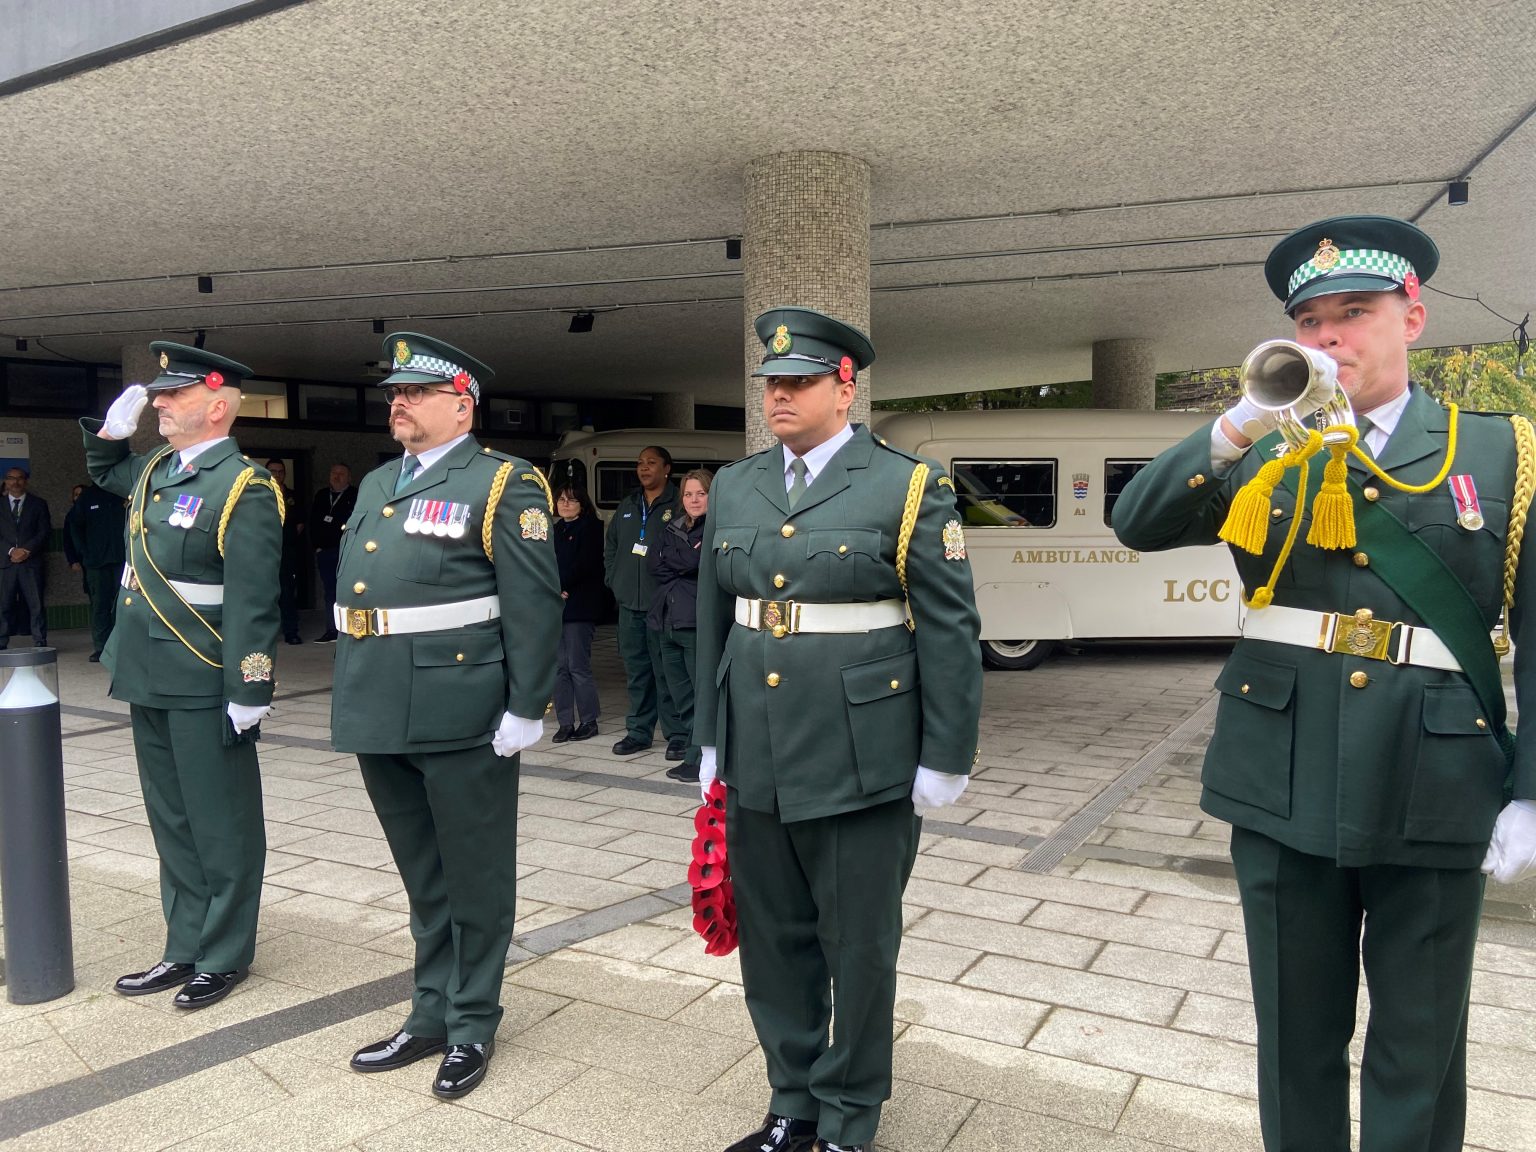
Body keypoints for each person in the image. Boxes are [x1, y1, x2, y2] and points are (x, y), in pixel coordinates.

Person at [1114, 215, 1536, 1152]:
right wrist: (1236, 422)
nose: (1329, 336)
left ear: (1412, 317)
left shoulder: (1502, 451)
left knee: (1419, 1042)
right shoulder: (1266, 450)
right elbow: (1136, 522)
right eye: (1310, 322)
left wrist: (1532, 789)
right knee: (1293, 1035)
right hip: (1282, 770)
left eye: (1355, 312)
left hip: (1436, 777)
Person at [695, 307, 982, 1152]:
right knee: (774, 936)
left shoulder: (906, 484)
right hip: (756, 742)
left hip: (865, 749)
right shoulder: (740, 483)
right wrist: (710, 734)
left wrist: (946, 752)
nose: (779, 396)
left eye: (799, 382)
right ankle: (793, 1100)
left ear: (844, 387)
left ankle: (850, 1115)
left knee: (857, 942)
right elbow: (718, 616)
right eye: (772, 384)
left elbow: (949, 627)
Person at [331, 332, 561, 1100]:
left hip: (462, 707)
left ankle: (472, 1021)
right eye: (394, 392)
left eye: (416, 392)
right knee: (423, 877)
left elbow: (532, 602)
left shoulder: (501, 483)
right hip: (378, 700)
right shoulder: (374, 485)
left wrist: (527, 704)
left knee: (474, 876)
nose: (398, 402)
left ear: (461, 404)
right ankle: (429, 1011)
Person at [83, 340, 282, 1009]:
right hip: (145, 669)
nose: (161, 403)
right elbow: (109, 472)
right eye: (161, 394)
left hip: (203, 675)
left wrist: (250, 688)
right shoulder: (157, 468)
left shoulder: (244, 486)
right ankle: (184, 944)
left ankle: (223, 953)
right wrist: (112, 431)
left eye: (175, 394)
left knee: (221, 822)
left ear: (218, 405)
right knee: (171, 820)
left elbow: (255, 600)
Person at [604, 445, 685, 757]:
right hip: (630, 606)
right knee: (637, 672)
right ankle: (638, 731)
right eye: (640, 463)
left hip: (664, 606)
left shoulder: (677, 504)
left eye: (651, 462)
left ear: (667, 468)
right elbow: (611, 546)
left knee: (667, 672)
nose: (644, 468)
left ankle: (677, 734)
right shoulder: (628, 504)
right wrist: (614, 580)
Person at [648, 467, 711, 782]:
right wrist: (685, 562)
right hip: (667, 620)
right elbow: (653, 565)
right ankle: (691, 747)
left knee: (701, 692)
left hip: (695, 623)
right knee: (679, 693)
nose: (694, 499)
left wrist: (681, 561)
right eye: (688, 493)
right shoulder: (672, 527)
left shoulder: (715, 528)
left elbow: (697, 564)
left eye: (701, 493)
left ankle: (699, 758)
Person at [552, 484, 603, 742]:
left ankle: (589, 719)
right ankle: (564, 722)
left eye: (571, 500)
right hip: (556, 605)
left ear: (582, 503)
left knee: (577, 665)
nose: (565, 504)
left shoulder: (591, 528)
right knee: (559, 667)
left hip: (579, 605)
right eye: (561, 499)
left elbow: (586, 564)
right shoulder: (556, 528)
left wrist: (561, 586)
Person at [66, 481, 127, 661]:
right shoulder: (88, 496)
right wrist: (83, 552)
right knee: (99, 606)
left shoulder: (122, 492)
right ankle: (102, 648)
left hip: (121, 562)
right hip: (96, 563)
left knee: (122, 606)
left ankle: (121, 647)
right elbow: (75, 525)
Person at [1, 466, 51, 649]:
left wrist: (26, 550)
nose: (16, 482)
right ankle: (1, 642)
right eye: (11, 478)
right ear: (6, 481)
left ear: (26, 481)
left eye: (20, 478)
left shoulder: (38, 504)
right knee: (3, 605)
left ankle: (40, 641)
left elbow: (44, 532)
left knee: (35, 604)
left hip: (31, 563)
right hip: (6, 564)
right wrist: (10, 551)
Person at [308, 463, 356, 643]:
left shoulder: (355, 495)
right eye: (334, 473)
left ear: (349, 478)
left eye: (341, 474)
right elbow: (313, 521)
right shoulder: (321, 495)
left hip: (346, 552)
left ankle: (350, 629)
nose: (337, 476)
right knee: (330, 592)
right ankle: (332, 630)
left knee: (349, 591)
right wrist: (316, 546)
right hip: (325, 552)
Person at [265, 459, 304, 645]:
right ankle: (264, 633)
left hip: (286, 551)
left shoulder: (293, 496)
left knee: (287, 592)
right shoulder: (259, 493)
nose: (277, 475)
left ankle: (291, 631)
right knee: (263, 593)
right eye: (273, 471)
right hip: (263, 552)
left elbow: (300, 524)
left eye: (280, 471)